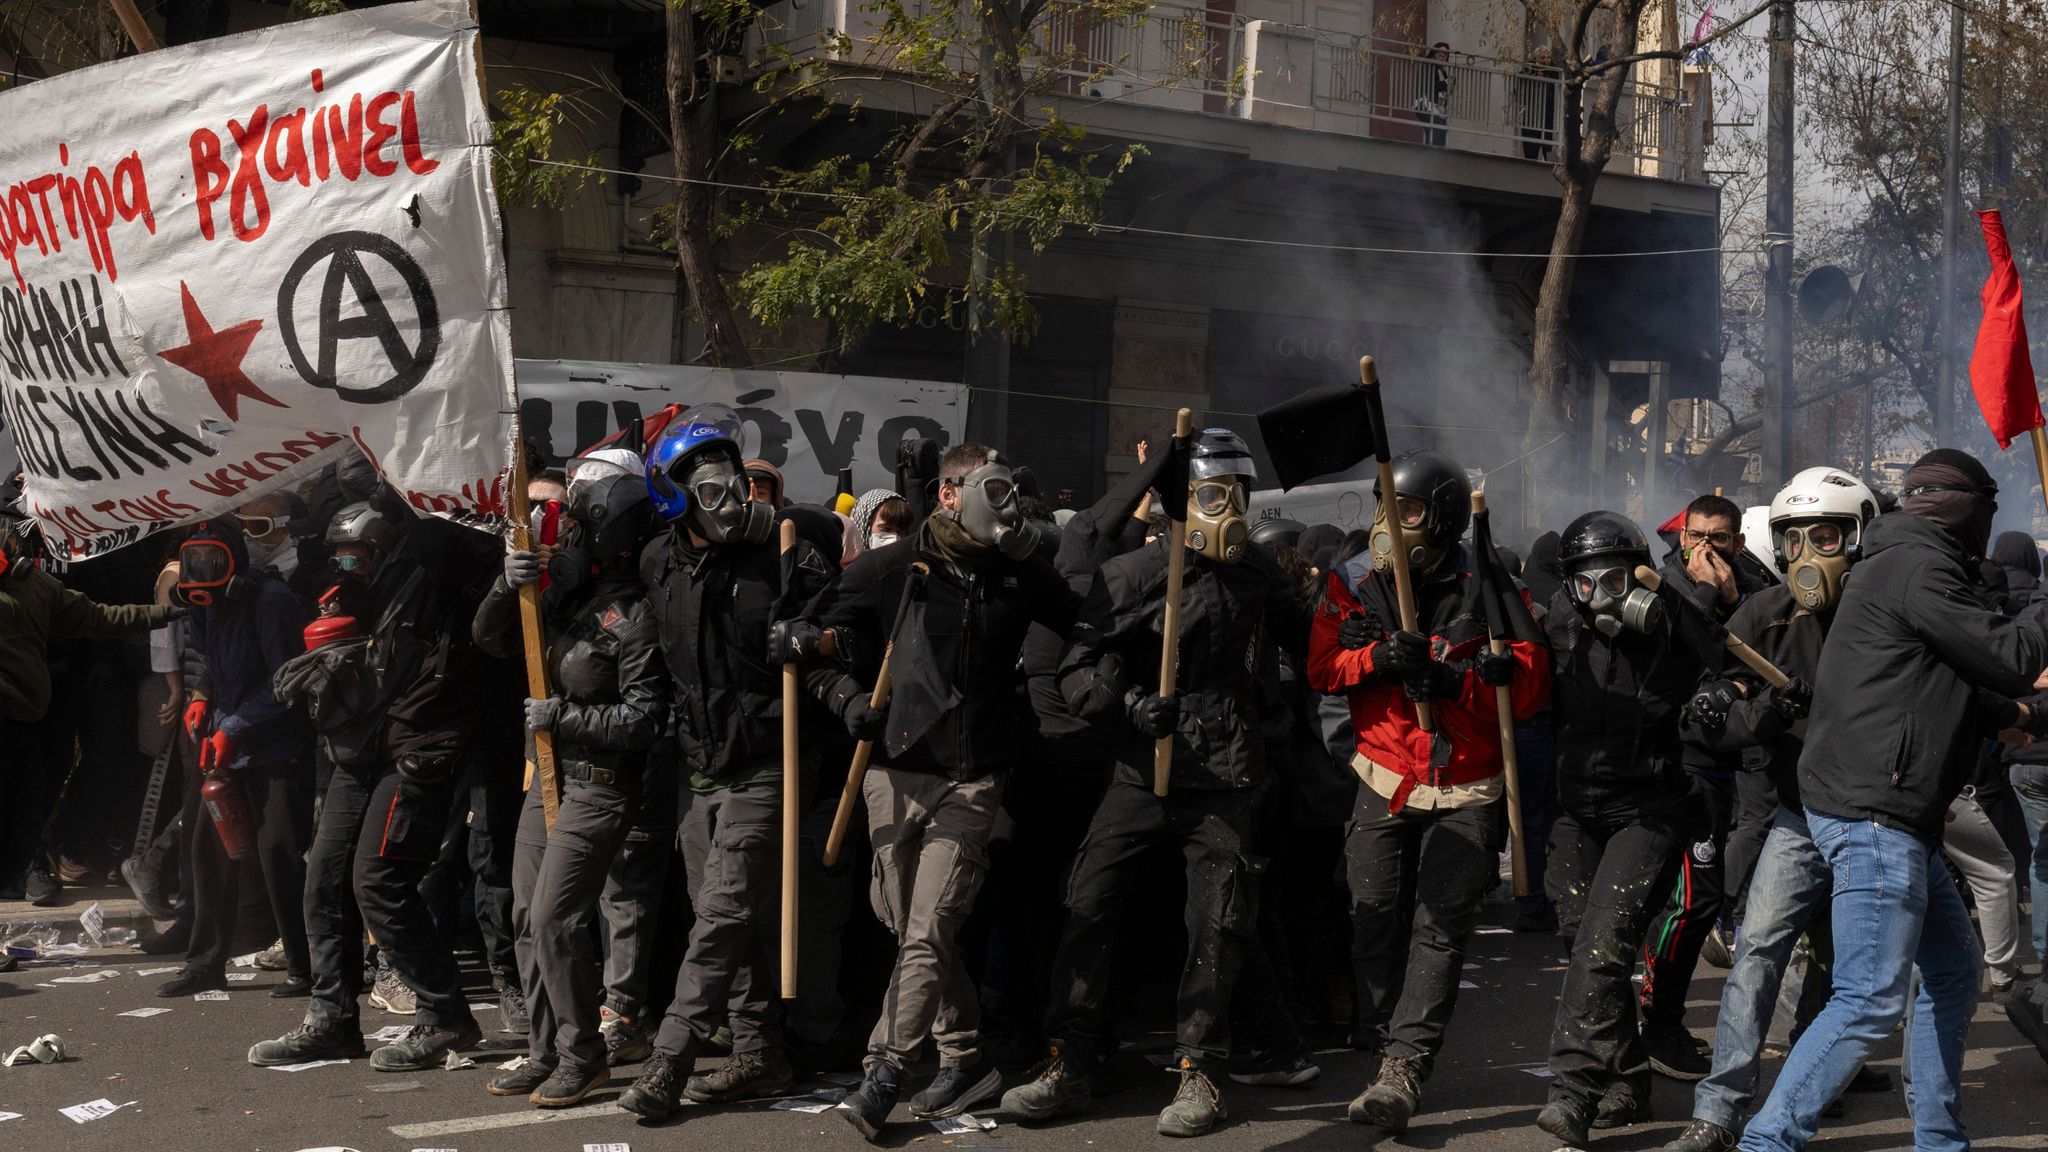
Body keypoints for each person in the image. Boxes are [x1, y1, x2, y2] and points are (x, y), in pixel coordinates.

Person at [1735, 449, 2048, 1152]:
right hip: (1877, 806)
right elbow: (2014, 656)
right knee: (1871, 997)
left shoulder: (1904, 563)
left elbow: (1960, 688)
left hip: (1891, 806)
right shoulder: (1917, 565)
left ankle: (1939, 1139)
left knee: (1951, 972)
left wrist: (2033, 719)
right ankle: (1766, 1141)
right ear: (1964, 506)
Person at [1002, 429, 1310, 1138]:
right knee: (1090, 899)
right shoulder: (1137, 574)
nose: (1225, 506)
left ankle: (1199, 1071)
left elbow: (1315, 646)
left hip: (1227, 773)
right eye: (1211, 493)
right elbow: (1078, 666)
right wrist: (1130, 702)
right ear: (1180, 500)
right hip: (1143, 769)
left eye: (1238, 494)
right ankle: (1068, 1061)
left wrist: (1380, 646)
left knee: (1218, 923)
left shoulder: (1257, 572)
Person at [804, 442, 1080, 1140]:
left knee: (930, 928)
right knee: (910, 926)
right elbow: (810, 647)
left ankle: (885, 1073)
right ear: (947, 494)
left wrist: (1029, 561)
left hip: (973, 781)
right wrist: (847, 700)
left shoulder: (1019, 575)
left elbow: (1081, 619)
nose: (1001, 499)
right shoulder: (889, 570)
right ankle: (964, 1057)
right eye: (985, 486)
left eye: (1007, 487)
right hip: (893, 773)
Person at [1304, 450, 1550, 1134]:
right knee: (1372, 912)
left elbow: (1527, 688)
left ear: (1440, 516)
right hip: (1383, 777)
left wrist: (1458, 681)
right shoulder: (1352, 579)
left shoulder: (1491, 583)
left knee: (1438, 929)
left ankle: (1404, 1067)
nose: (1391, 523)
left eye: (1406, 511)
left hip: (1466, 786)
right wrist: (1377, 659)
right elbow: (1323, 667)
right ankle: (1386, 1032)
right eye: (1385, 509)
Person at [615, 406, 839, 1122]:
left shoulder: (784, 550)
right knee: (725, 927)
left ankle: (668, 1064)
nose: (723, 489)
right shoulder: (657, 563)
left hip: (766, 766)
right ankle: (758, 1054)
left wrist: (808, 639)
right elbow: (649, 662)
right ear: (671, 489)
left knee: (719, 917)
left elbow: (841, 630)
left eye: (729, 473)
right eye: (701, 476)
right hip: (697, 770)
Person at [1660, 467, 1880, 1152]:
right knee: (1757, 951)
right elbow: (1709, 722)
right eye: (1793, 539)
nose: (1808, 553)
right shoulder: (1761, 617)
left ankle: (1811, 1084)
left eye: (1826, 535)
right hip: (1796, 811)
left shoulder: (1887, 613)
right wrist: (1763, 712)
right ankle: (1719, 1109)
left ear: (1858, 537)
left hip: (1876, 819)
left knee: (1848, 967)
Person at [251, 499, 498, 1072]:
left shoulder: (442, 566)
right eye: (344, 556)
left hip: (419, 746)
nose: (349, 565)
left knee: (379, 881)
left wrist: (401, 482)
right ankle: (332, 1017)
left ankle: (447, 1018)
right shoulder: (369, 589)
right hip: (362, 745)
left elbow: (440, 542)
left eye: (361, 554)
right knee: (324, 876)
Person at [475, 449, 665, 1108]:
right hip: (548, 775)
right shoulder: (568, 597)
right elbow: (494, 640)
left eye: (576, 520)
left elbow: (643, 721)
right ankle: (543, 1046)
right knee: (526, 914)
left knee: (556, 919)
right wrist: (509, 583)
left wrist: (565, 715)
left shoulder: (636, 616)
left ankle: (583, 1054)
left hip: (601, 783)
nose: (564, 532)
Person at [1536, 510, 1727, 1147]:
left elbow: (1722, 654)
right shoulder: (1560, 625)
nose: (1599, 598)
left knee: (1605, 941)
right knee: (1579, 938)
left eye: (1615, 580)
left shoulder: (1670, 624)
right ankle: (1629, 1074)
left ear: (1640, 577)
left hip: (1648, 808)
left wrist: (1675, 597)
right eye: (1584, 585)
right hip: (1575, 806)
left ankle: (1572, 1091)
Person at [1638, 493, 1772, 1080]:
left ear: (1738, 542)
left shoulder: (1753, 587)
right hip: (1677, 765)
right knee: (1692, 899)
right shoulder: (1662, 584)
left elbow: (1762, 659)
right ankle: (1656, 1017)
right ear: (1681, 533)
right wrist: (1700, 596)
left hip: (1738, 761)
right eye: (1697, 536)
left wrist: (1734, 603)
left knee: (1707, 897)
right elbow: (1667, 656)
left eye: (1719, 539)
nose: (1706, 549)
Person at [156, 519, 315, 1001]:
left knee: (277, 854)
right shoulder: (206, 602)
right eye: (192, 562)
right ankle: (206, 963)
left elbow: (285, 680)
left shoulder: (272, 602)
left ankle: (305, 965)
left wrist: (234, 725)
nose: (200, 570)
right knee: (207, 851)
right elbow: (210, 661)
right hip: (229, 743)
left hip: (276, 746)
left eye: (210, 560)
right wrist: (203, 695)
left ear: (233, 561)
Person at [0, 502, 174, 903]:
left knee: (38, 791)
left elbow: (97, 616)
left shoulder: (35, 585)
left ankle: (30, 860)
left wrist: (166, 613)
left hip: (41, 703)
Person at [1519, 45, 1559, 160]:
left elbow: (1558, 76)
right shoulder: (1529, 67)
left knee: (1548, 150)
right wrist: (1535, 73)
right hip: (1531, 116)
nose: (1545, 61)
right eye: (1542, 58)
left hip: (1547, 116)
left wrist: (1550, 68)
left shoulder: (1552, 70)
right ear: (1536, 58)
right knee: (1530, 151)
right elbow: (1522, 77)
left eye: (1548, 58)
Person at [1417, 42, 1453, 146]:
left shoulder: (1442, 69)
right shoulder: (1430, 65)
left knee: (1440, 129)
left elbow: (1445, 89)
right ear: (1434, 53)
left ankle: (1437, 154)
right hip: (1424, 104)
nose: (1442, 56)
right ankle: (1432, 154)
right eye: (1440, 53)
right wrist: (1445, 84)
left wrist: (1449, 86)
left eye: (1445, 55)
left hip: (1437, 107)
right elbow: (1429, 85)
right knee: (1436, 129)